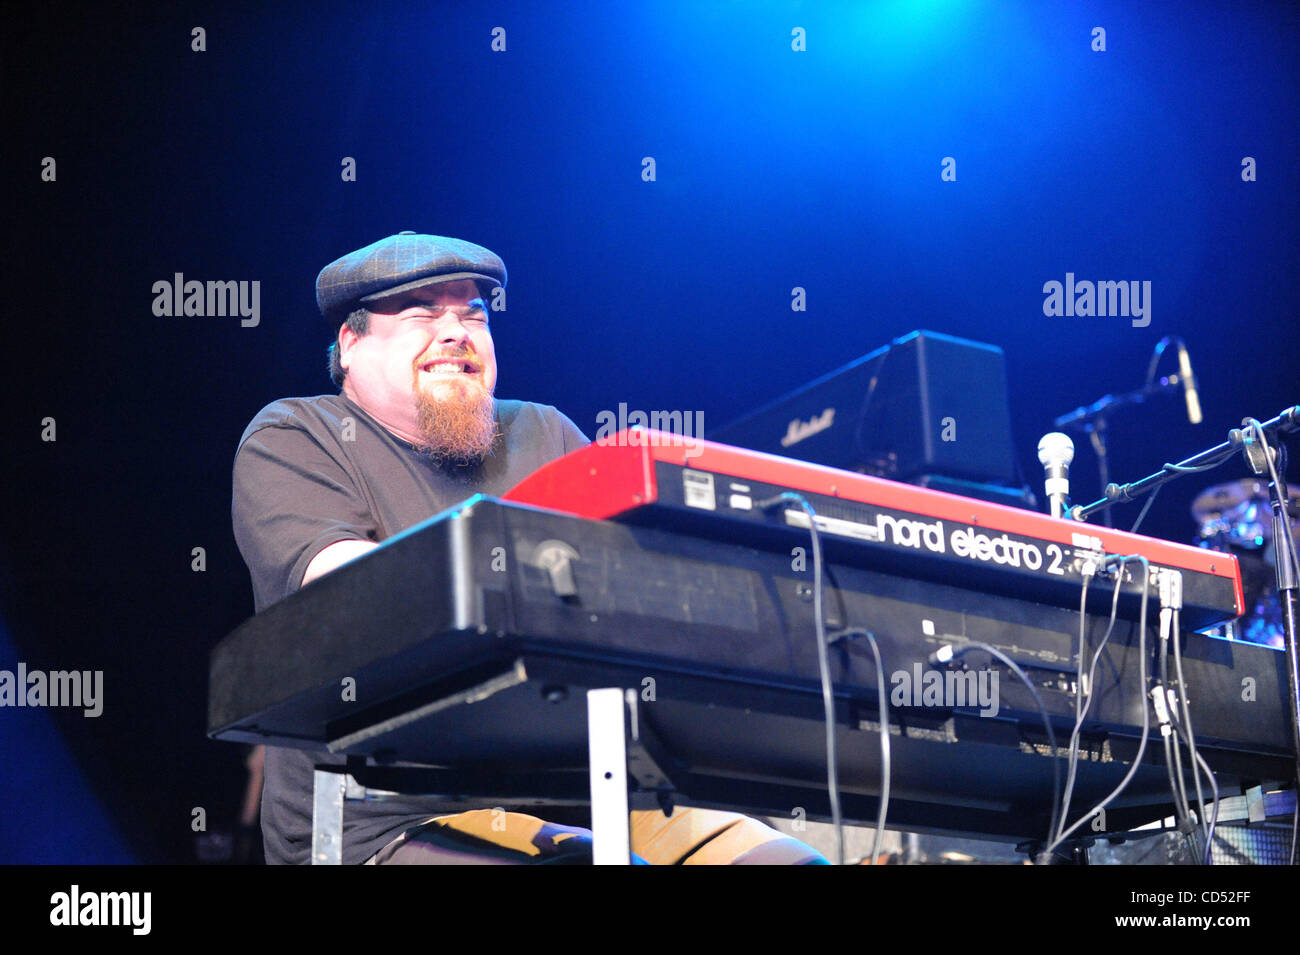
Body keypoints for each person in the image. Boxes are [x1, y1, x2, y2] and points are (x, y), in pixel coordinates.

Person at [231, 232, 827, 865]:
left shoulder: (541, 432)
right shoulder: (295, 435)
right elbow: (351, 594)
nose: (456, 331)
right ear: (351, 344)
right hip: (395, 819)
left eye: (473, 315)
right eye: (422, 313)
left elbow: (641, 597)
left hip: (592, 795)